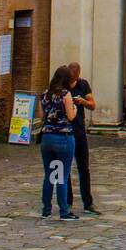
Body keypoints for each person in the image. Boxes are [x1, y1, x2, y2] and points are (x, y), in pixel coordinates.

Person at [40, 64, 79, 221]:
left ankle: (46, 209)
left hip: (47, 138)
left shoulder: (45, 95)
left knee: (50, 175)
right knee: (62, 175)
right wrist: (75, 109)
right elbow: (70, 116)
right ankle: (64, 210)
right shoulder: (66, 95)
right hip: (63, 138)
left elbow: (42, 115)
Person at [66, 61, 101, 216]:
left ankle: (88, 202)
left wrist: (83, 102)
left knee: (84, 168)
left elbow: (93, 105)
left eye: (74, 78)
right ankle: (67, 200)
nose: (73, 80)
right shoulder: (62, 86)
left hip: (79, 131)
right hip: (65, 131)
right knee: (66, 169)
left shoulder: (83, 84)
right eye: (71, 78)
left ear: (79, 75)